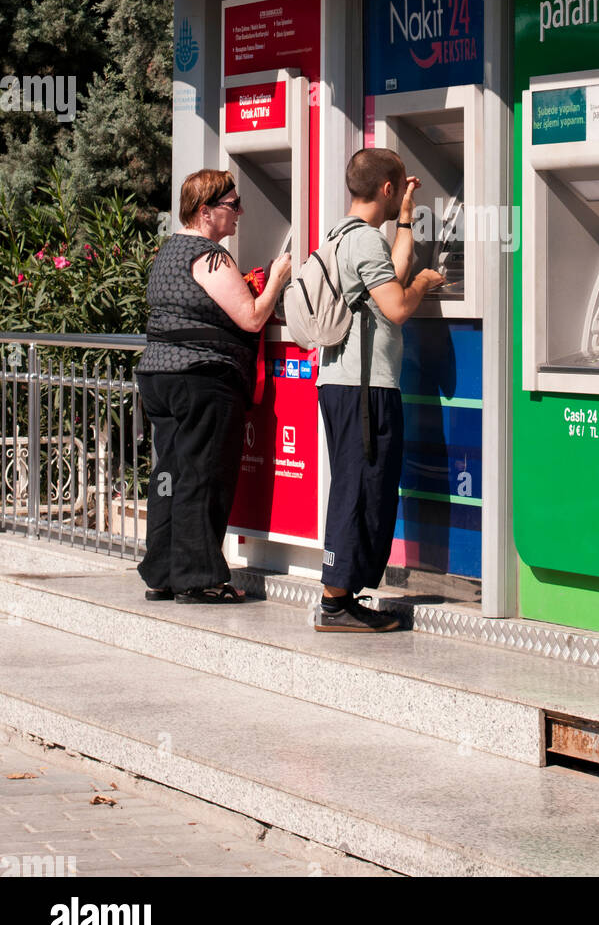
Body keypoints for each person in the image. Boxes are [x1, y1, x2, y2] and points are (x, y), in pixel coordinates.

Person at [136, 170, 291, 604]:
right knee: (203, 476)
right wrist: (278, 277)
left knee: (170, 474)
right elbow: (252, 318)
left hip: (161, 376)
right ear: (205, 212)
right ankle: (199, 578)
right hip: (202, 378)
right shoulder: (211, 258)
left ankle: (162, 573)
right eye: (232, 204)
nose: (240, 211)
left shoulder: (169, 250)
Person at [314, 148, 444, 632]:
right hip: (363, 388)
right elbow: (398, 306)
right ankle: (335, 603)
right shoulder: (366, 240)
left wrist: (405, 220)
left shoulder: (341, 234)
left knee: (361, 485)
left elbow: (392, 273)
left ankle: (342, 595)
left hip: (345, 383)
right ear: (386, 188)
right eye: (398, 192)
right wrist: (425, 281)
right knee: (359, 489)